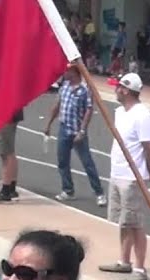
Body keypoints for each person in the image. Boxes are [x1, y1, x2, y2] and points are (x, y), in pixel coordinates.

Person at [99, 74, 150, 279]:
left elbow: (149, 149)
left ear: (126, 90)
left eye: (118, 87)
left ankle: (140, 267)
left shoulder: (142, 115)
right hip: (117, 172)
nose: (115, 90)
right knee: (124, 222)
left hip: (132, 177)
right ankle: (124, 260)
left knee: (135, 223)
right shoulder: (119, 112)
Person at [45, 63, 106, 207]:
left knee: (87, 163)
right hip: (64, 128)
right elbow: (58, 105)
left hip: (77, 130)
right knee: (62, 161)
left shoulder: (85, 89)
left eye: (67, 70)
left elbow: (89, 110)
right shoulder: (65, 86)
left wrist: (82, 130)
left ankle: (99, 192)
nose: (64, 73)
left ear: (74, 72)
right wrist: (49, 123)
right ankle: (68, 189)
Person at [0, 107, 24, 204]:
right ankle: (11, 188)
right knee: (10, 152)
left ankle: (5, 192)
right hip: (12, 114)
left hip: (6, 115)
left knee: (6, 154)